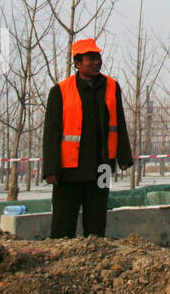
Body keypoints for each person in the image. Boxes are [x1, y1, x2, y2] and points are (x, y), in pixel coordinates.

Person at [41, 37, 133, 237]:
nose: (96, 62)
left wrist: (123, 158)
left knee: (97, 221)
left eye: (98, 57)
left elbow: (119, 123)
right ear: (77, 63)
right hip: (69, 170)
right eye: (90, 58)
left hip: (102, 166)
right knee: (63, 223)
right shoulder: (60, 91)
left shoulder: (112, 86)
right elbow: (51, 133)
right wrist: (50, 169)